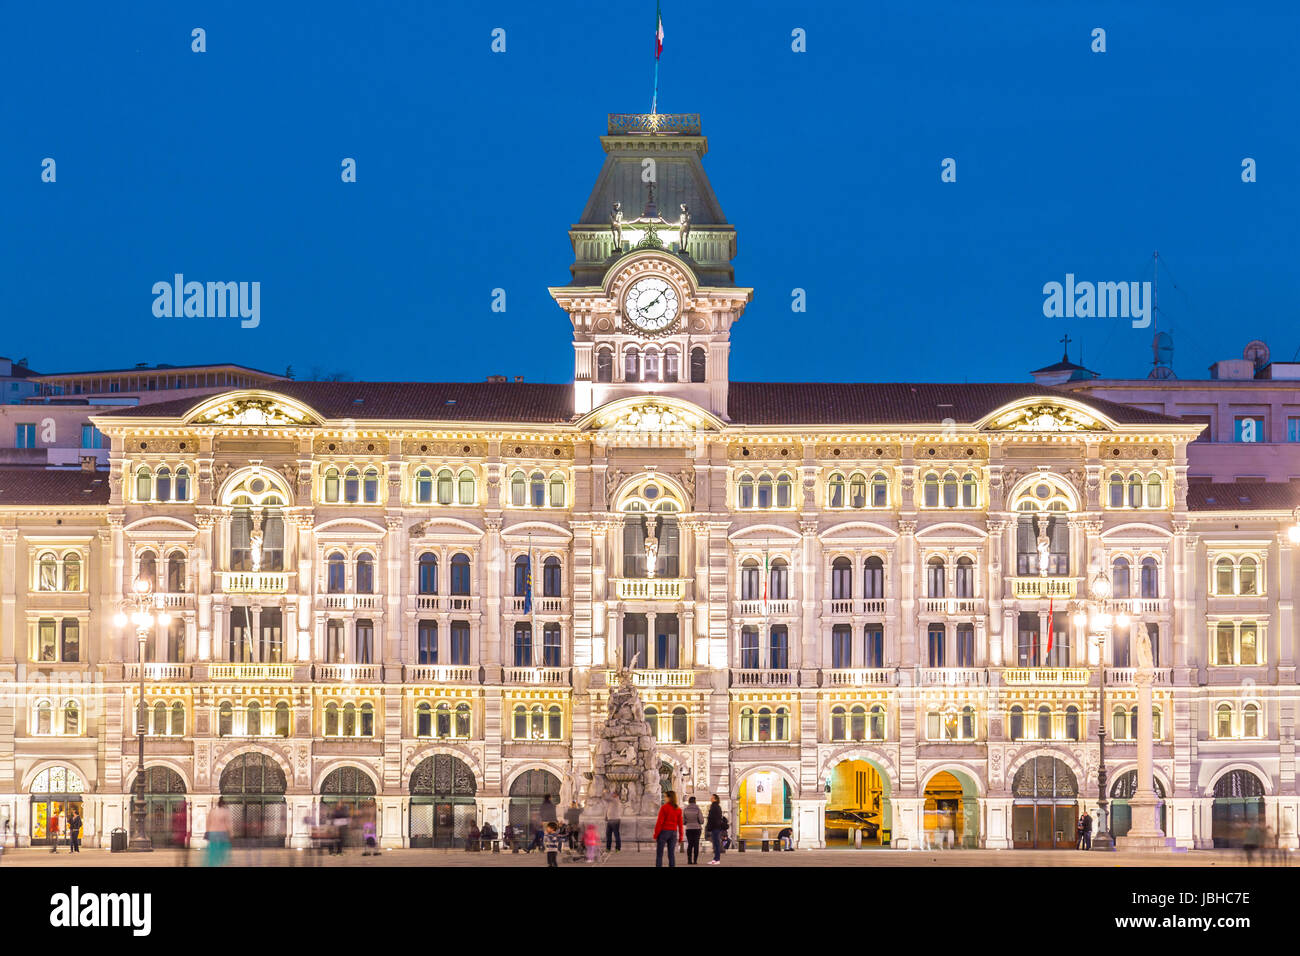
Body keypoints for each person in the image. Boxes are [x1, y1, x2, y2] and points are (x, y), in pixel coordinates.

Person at [653, 790, 685, 868]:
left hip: (664, 832)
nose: (664, 798)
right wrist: (681, 837)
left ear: (669, 798)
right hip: (673, 833)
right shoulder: (678, 809)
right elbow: (680, 825)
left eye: (665, 797)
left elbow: (659, 822)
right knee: (671, 854)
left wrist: (656, 834)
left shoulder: (664, 808)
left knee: (659, 854)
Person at [205, 798, 232, 867]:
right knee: (222, 849)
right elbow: (228, 823)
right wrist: (231, 833)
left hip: (213, 832)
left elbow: (208, 822)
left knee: (213, 849)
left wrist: (207, 831)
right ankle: (220, 861)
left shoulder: (212, 811)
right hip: (222, 832)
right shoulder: (226, 811)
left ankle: (213, 862)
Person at [682, 796, 704, 864]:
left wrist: (688, 822)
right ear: (695, 801)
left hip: (689, 829)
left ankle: (689, 860)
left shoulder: (685, 810)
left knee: (690, 844)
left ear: (689, 801)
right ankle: (695, 860)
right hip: (697, 829)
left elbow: (683, 821)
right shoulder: (698, 809)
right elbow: (701, 821)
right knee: (696, 844)